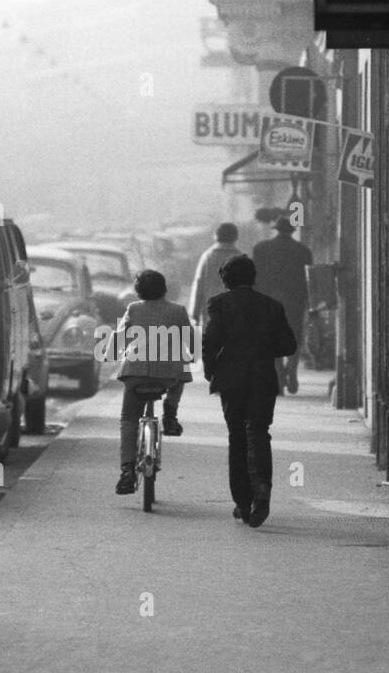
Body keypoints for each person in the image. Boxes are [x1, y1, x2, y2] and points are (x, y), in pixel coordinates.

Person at [202, 254, 297, 528]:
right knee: (258, 431)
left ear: (225, 281)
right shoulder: (272, 306)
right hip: (263, 378)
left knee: (236, 437)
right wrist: (264, 348)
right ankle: (262, 488)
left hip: (231, 379)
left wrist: (212, 371)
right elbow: (288, 346)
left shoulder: (219, 304)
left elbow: (210, 341)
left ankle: (243, 501)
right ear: (253, 278)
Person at [113, 269, 194, 495]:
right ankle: (170, 414)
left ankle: (127, 470)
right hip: (168, 374)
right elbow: (190, 343)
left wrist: (116, 352)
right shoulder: (178, 311)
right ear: (165, 289)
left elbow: (118, 339)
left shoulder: (133, 309)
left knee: (129, 418)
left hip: (136, 372)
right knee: (183, 364)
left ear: (138, 291)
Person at [251, 216, 313, 394]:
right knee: (294, 337)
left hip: (267, 301)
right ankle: (291, 370)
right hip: (295, 301)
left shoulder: (260, 249)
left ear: (276, 230)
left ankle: (278, 377)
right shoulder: (303, 251)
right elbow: (309, 280)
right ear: (292, 231)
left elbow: (253, 276)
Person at [188, 222, 243, 326]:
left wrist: (195, 313)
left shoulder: (208, 257)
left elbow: (199, 284)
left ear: (215, 236)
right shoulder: (241, 258)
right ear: (236, 237)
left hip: (211, 312)